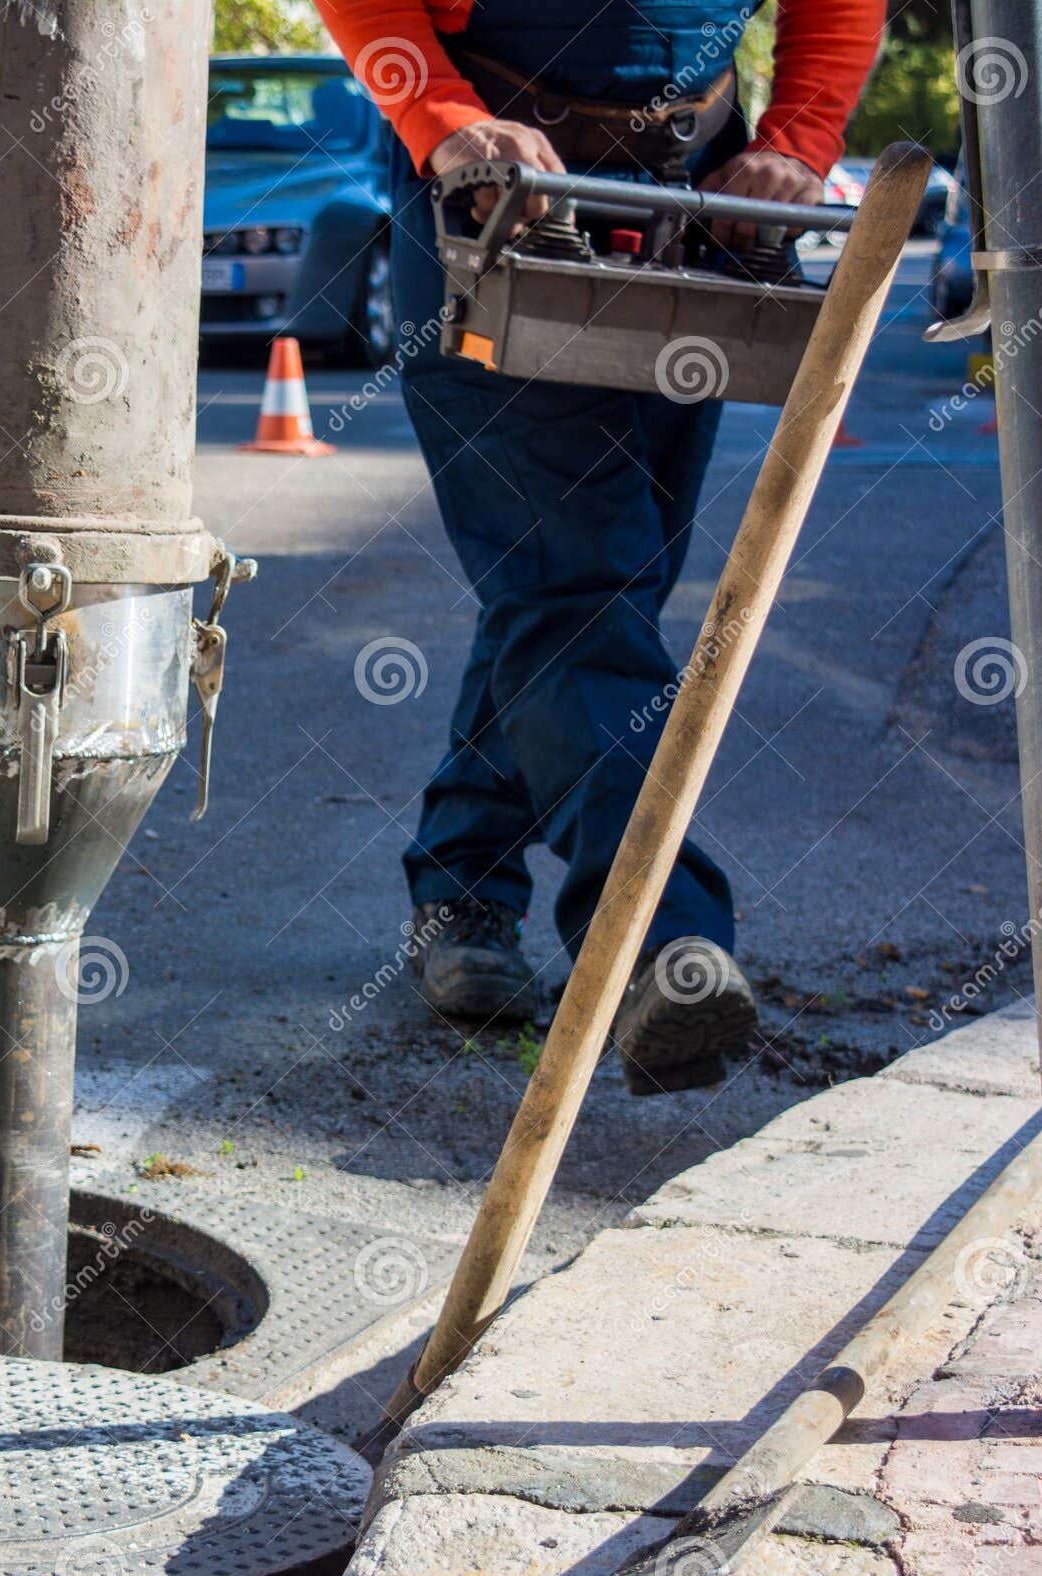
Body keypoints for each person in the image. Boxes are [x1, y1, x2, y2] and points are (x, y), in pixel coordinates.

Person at [314, 0, 884, 1092]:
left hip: (691, 199)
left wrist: (792, 147)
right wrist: (439, 116)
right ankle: (653, 944)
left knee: (594, 582)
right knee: (576, 579)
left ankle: (464, 884)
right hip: (484, 195)